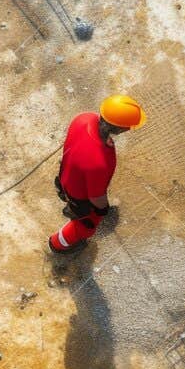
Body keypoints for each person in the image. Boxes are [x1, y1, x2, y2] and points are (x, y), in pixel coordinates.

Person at [49, 95, 146, 254]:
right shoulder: (99, 162)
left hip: (66, 174)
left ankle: (67, 201)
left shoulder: (83, 118)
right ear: (122, 129)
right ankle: (57, 244)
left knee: (79, 204)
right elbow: (95, 197)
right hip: (79, 195)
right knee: (86, 225)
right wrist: (103, 209)